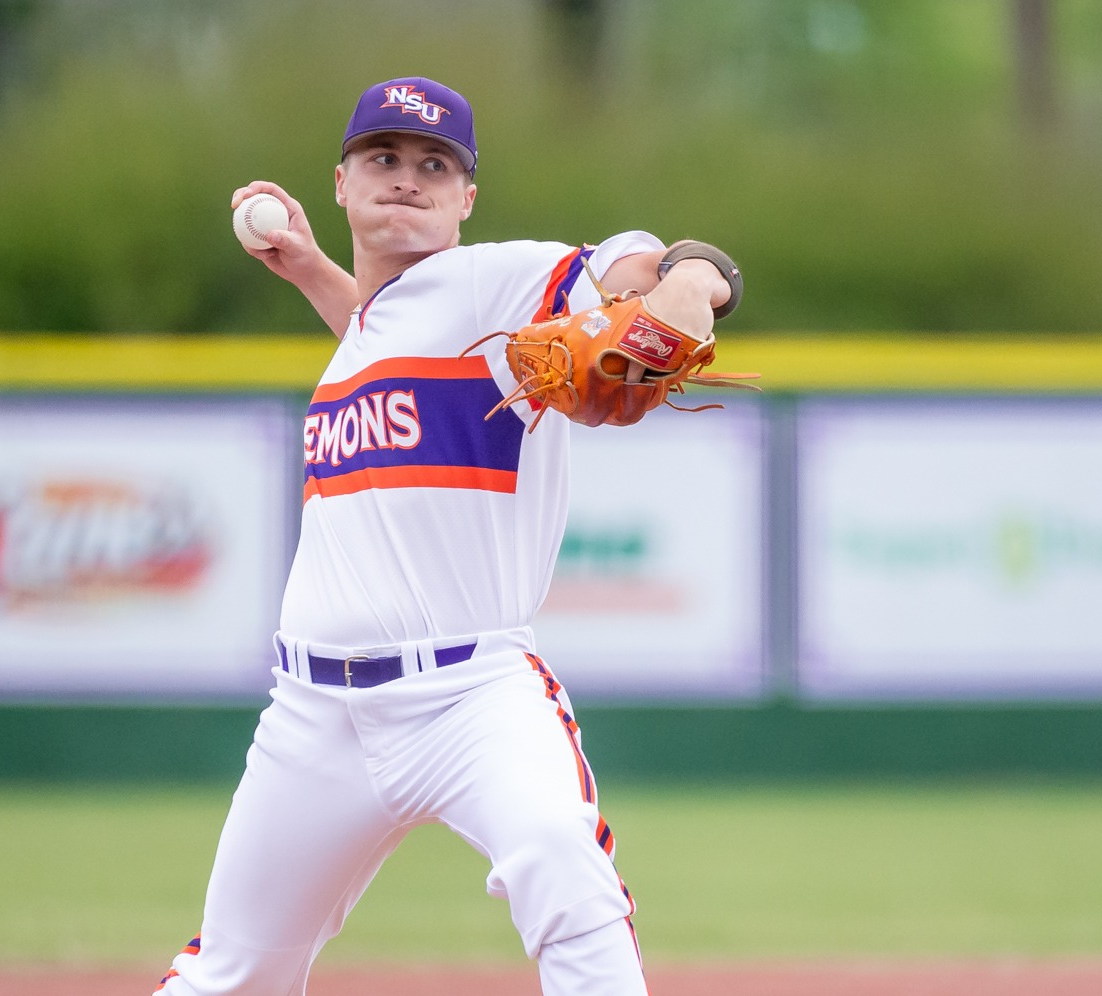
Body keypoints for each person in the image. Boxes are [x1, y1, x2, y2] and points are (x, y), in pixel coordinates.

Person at [155, 76, 736, 996]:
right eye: (382, 158)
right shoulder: (366, 332)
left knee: (565, 875)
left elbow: (637, 260)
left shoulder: (494, 283)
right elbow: (382, 327)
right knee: (235, 972)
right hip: (312, 718)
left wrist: (696, 281)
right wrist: (310, 266)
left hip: (471, 699)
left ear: (466, 199)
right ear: (340, 183)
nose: (407, 179)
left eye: (435, 165)